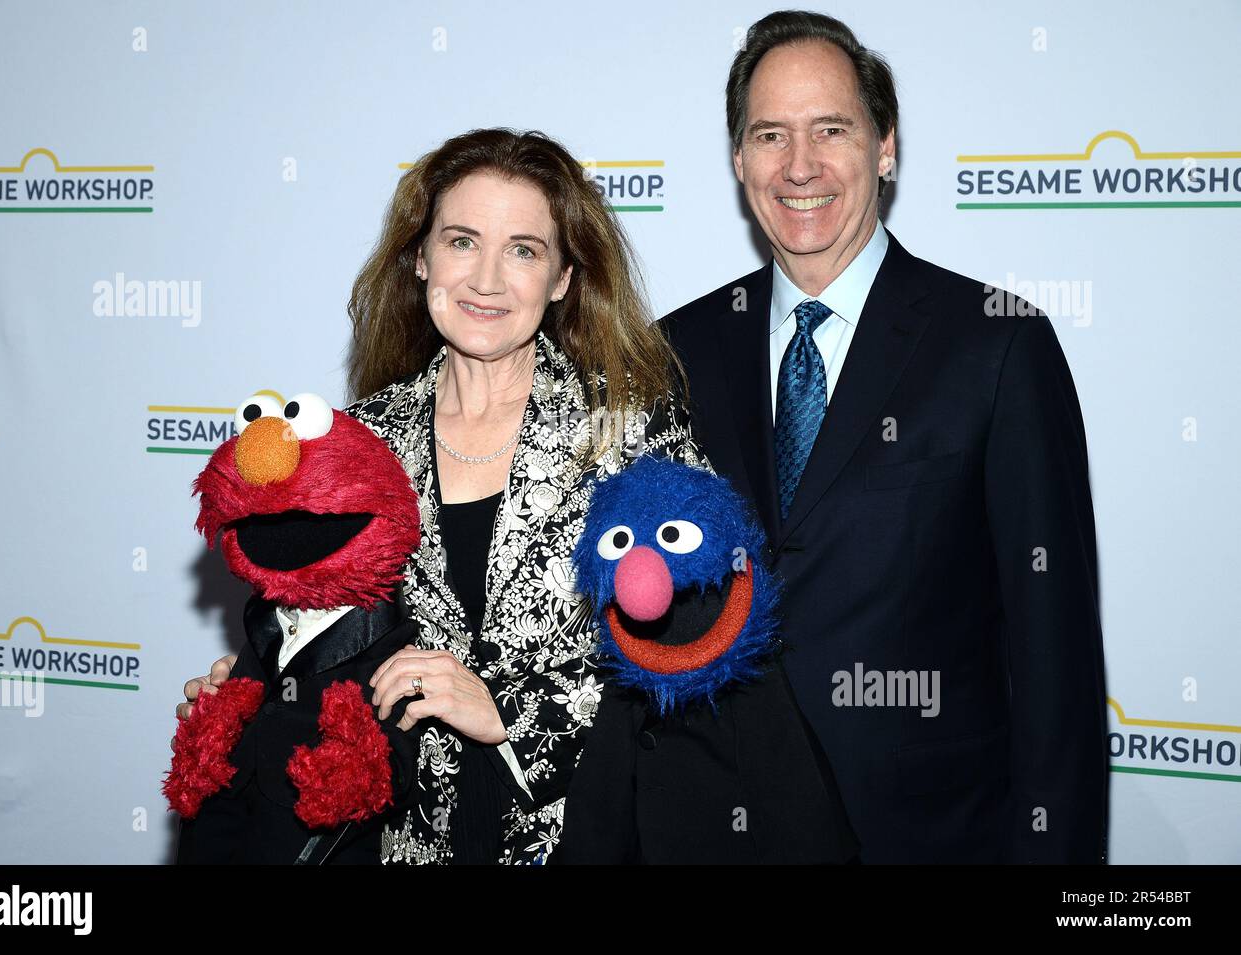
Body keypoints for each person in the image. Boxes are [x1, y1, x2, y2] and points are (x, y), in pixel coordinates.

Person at [176, 127, 713, 864]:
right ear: (422, 257)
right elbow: (320, 636)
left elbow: (697, 645)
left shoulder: (629, 430)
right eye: (462, 241)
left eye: (523, 249)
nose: (487, 280)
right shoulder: (356, 444)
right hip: (400, 837)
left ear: (561, 278)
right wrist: (258, 694)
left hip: (584, 831)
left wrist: (510, 716)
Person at [659, 10, 1108, 863]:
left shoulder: (997, 345)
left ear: (886, 146)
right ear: (738, 160)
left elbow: (1056, 674)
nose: (800, 166)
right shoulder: (679, 350)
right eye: (770, 135)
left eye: (832, 129)